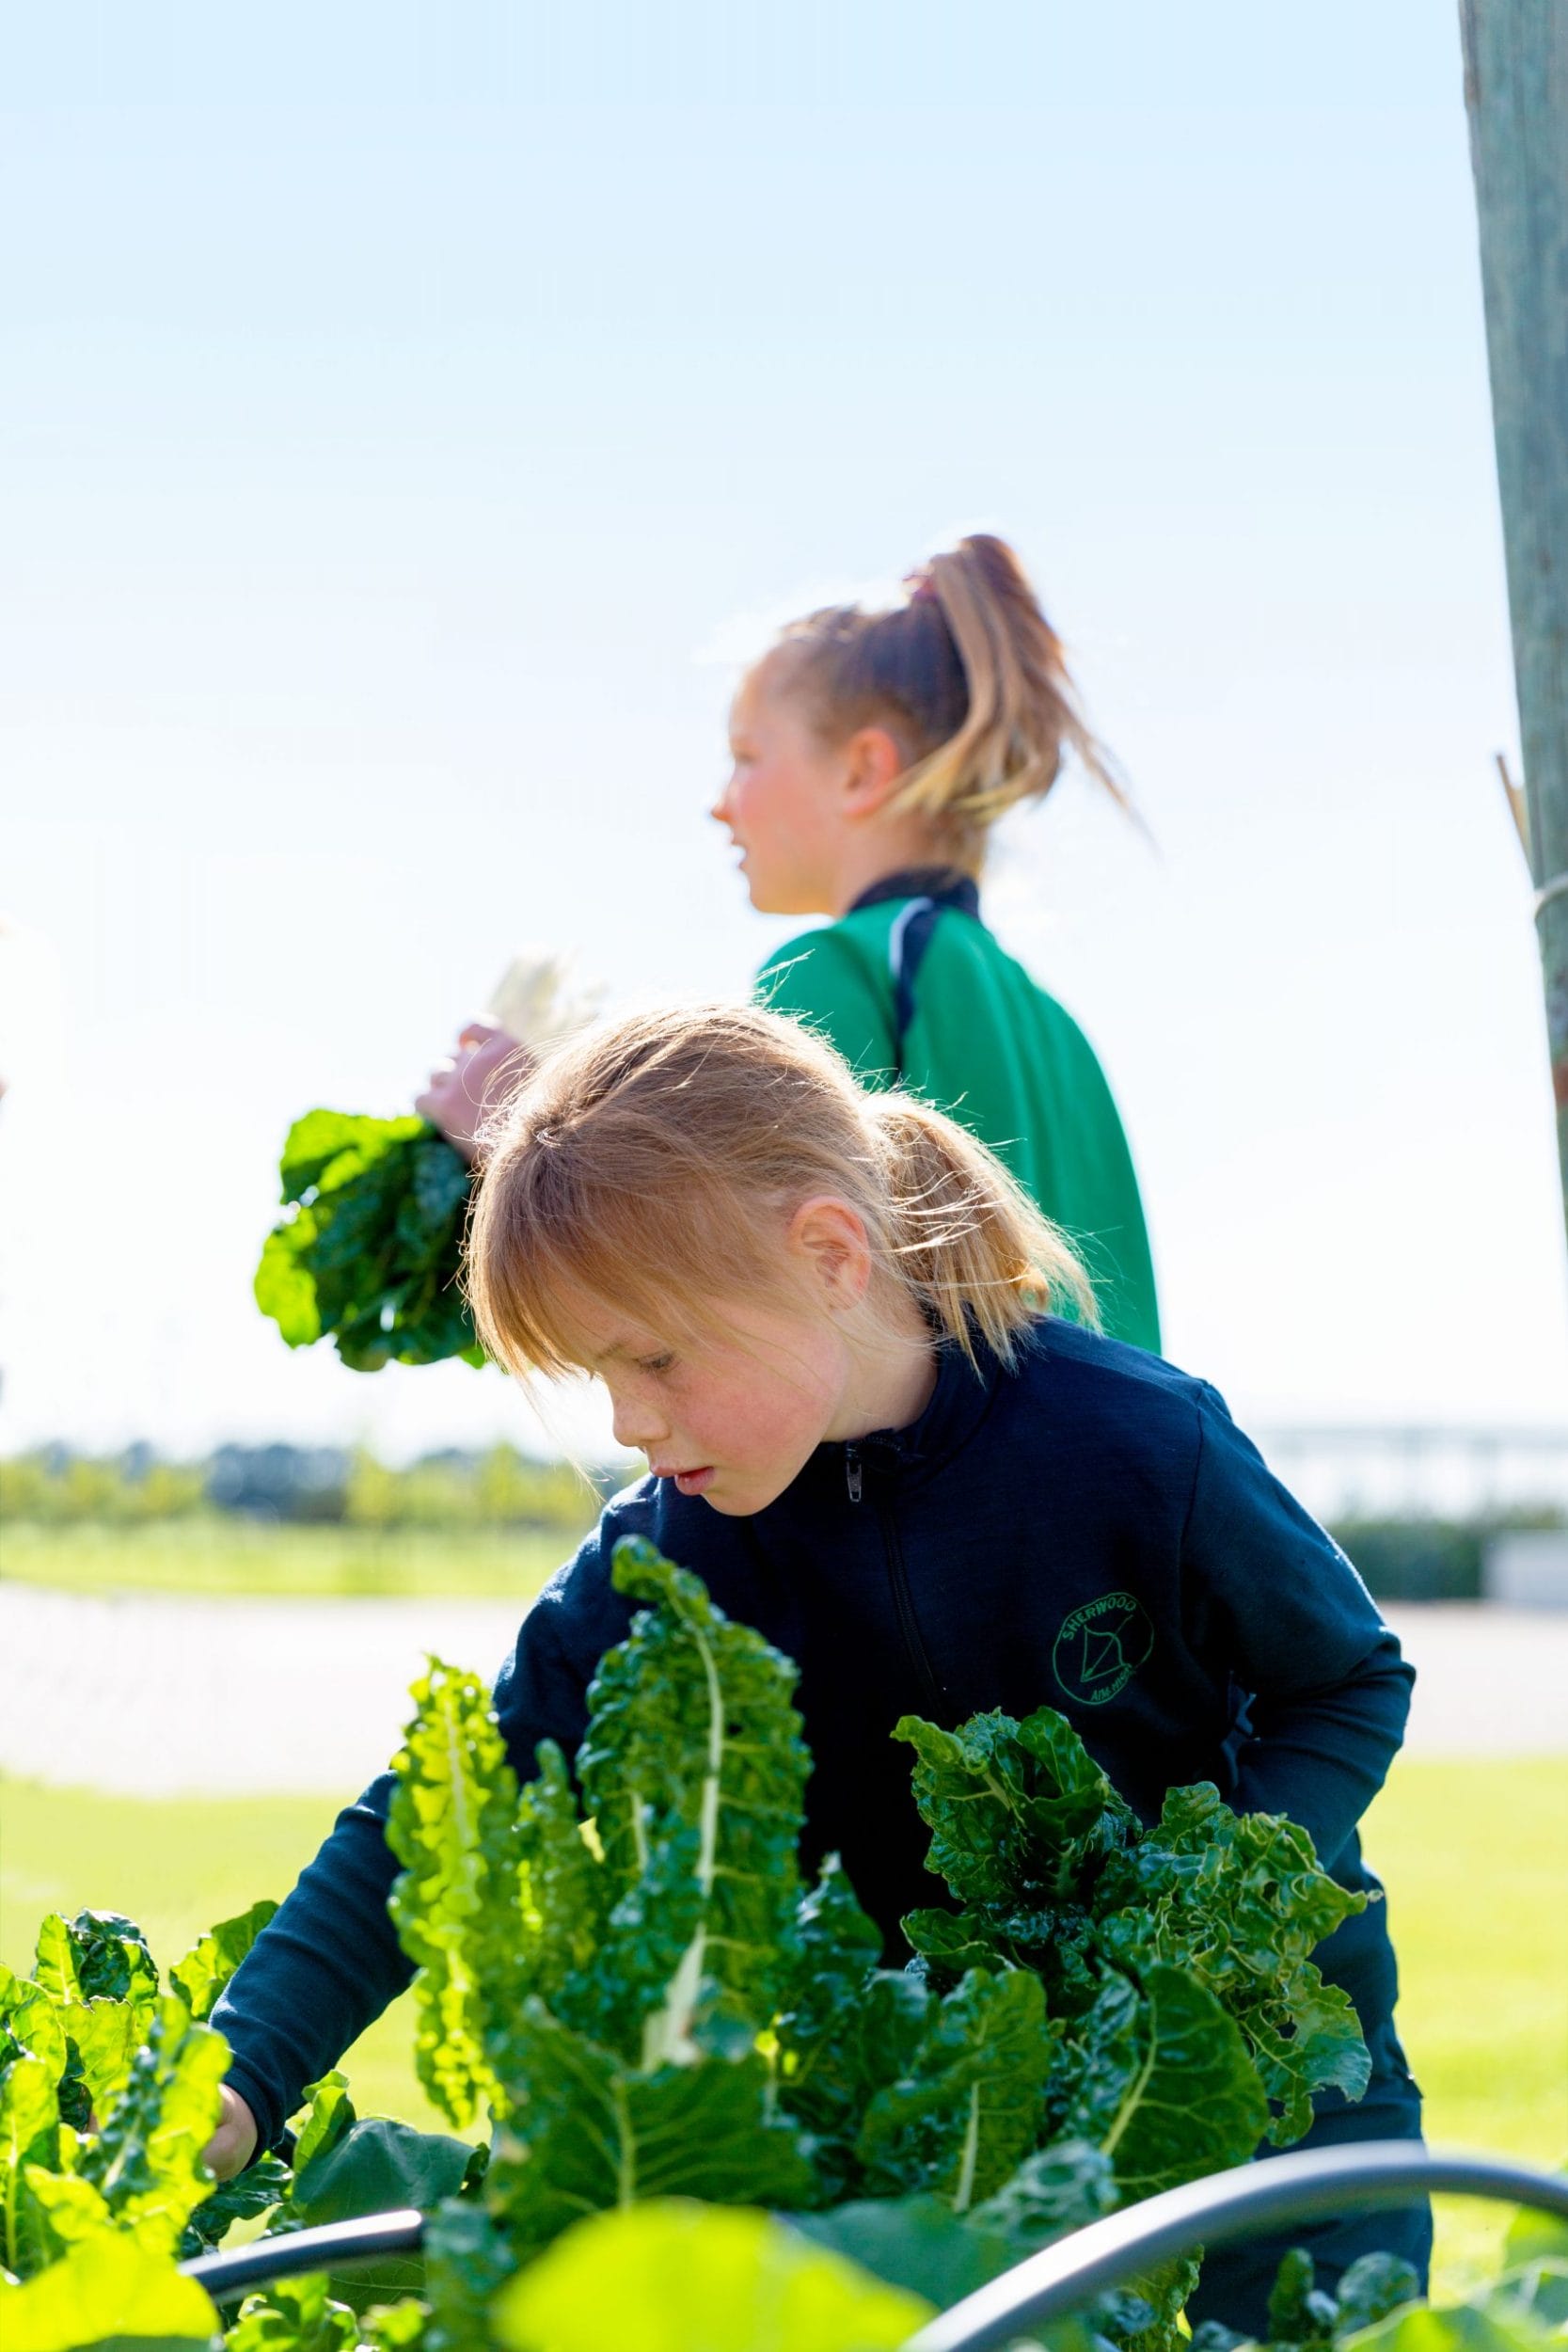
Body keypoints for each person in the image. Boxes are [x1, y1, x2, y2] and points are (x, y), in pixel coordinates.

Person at [210, 1002, 1427, 2331]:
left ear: (830, 1256)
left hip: (1269, 2113)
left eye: (654, 1357)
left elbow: (1346, 1681)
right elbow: (440, 1811)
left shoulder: (1137, 1443)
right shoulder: (667, 1555)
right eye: (595, 1375)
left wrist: (1185, 1929)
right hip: (951, 2171)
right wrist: (238, 2073)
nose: (627, 1419)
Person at [418, 533, 1159, 1355]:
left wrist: (516, 1131)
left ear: (861, 771)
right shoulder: (1055, 1028)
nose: (720, 804)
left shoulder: (842, 972)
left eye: (745, 757)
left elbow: (733, 1283)